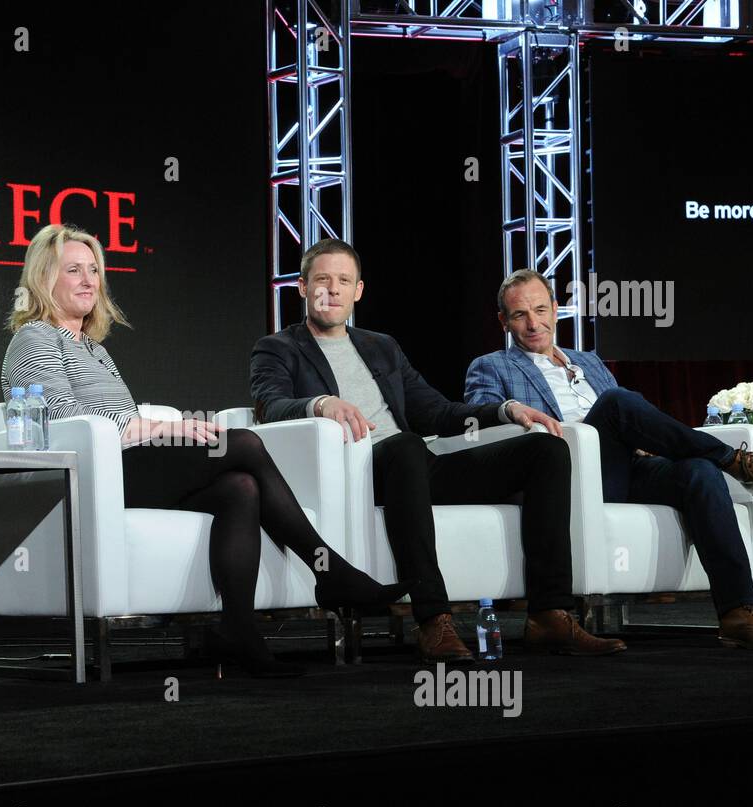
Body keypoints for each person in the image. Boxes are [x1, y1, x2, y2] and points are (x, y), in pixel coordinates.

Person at [1, 224, 409, 677]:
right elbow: (58, 417)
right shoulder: (35, 338)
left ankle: (238, 630)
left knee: (241, 487)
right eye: (73, 270)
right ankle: (330, 572)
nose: (88, 280)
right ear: (43, 279)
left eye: (94, 270)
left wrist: (158, 429)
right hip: (94, 477)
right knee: (245, 443)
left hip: (124, 466)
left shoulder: (93, 349)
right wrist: (163, 427)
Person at [250, 238, 627, 662]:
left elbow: (437, 412)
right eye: (322, 280)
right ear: (302, 287)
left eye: (343, 281)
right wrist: (320, 404)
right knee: (407, 446)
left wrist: (505, 409)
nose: (332, 290)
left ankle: (549, 614)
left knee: (545, 451)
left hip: (414, 466)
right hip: (355, 473)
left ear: (358, 291)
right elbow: (270, 405)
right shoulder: (278, 347)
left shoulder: (381, 346)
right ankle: (433, 619)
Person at [465, 269, 753, 650]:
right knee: (617, 403)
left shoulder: (589, 362)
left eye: (539, 309)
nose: (533, 323)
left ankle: (738, 612)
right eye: (520, 315)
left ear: (555, 308)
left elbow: (628, 419)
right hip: (569, 474)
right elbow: (483, 421)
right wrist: (512, 408)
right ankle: (737, 462)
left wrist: (642, 440)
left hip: (621, 468)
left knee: (697, 471)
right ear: (504, 321)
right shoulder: (491, 365)